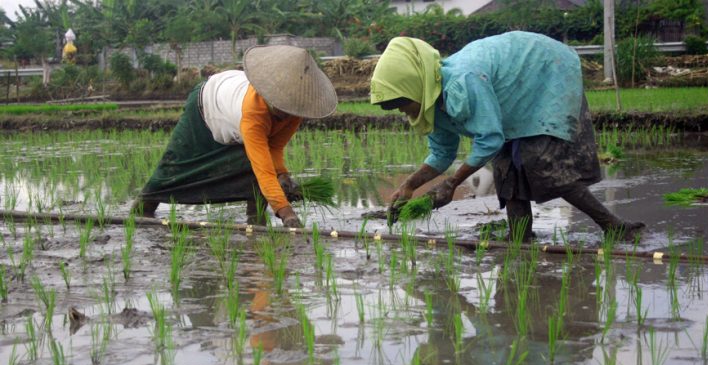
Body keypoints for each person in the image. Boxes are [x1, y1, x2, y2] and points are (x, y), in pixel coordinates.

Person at [370, 31, 644, 240]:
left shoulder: (464, 81)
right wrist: (409, 185)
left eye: (402, 103)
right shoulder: (432, 99)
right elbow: (442, 153)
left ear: (415, 85)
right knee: (506, 170)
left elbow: (489, 138)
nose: (404, 112)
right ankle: (520, 237)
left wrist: (452, 183)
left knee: (539, 162)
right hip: (511, 99)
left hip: (544, 73)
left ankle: (613, 226)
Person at [132, 45, 338, 228]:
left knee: (255, 166)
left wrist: (283, 175)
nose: (286, 115)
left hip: (230, 101)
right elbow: (264, 169)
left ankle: (255, 218)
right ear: (270, 95)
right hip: (205, 105)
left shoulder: (294, 111)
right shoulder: (253, 114)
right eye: (281, 107)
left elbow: (274, 147)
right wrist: (286, 213)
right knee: (172, 167)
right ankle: (143, 207)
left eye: (290, 109)